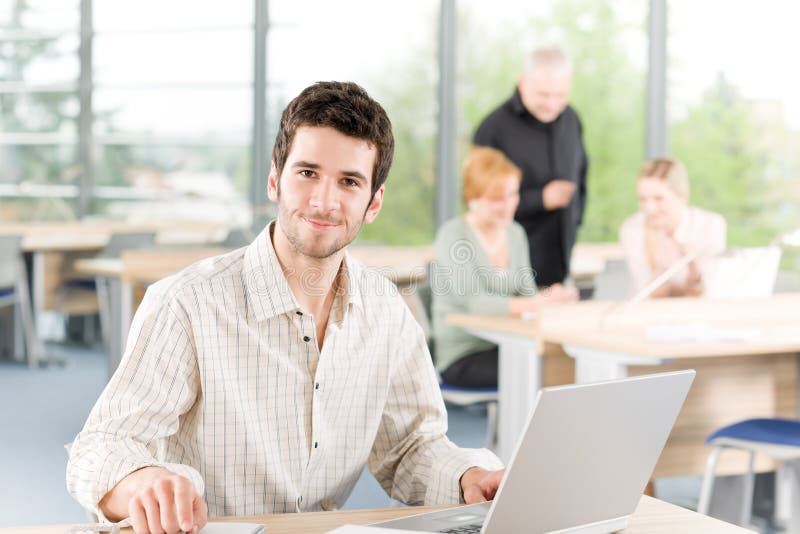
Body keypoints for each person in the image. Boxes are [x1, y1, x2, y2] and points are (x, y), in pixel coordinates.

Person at [66, 82, 504, 534]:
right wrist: (142, 482)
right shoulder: (186, 304)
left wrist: (468, 476)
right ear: (275, 179)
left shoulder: (386, 311)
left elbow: (411, 447)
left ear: (373, 202)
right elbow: (101, 445)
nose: (324, 200)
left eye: (349, 182)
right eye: (307, 173)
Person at [432, 147, 578, 388]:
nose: (509, 205)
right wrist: (537, 303)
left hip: (508, 343)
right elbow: (475, 302)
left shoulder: (514, 233)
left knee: (563, 360)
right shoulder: (454, 236)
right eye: (497, 199)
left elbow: (526, 292)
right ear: (473, 198)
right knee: (536, 370)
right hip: (464, 355)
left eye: (513, 195)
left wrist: (551, 297)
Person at [474, 46, 588, 288]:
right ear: (522, 82)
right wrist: (541, 199)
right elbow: (477, 203)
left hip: (561, 269)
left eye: (560, 95)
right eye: (544, 95)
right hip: (507, 275)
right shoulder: (493, 129)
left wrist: (575, 223)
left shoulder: (572, 119)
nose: (552, 105)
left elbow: (582, 180)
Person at [619, 158, 726, 297]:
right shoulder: (632, 229)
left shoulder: (710, 225)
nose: (649, 209)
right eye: (642, 199)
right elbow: (649, 296)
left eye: (659, 199)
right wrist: (658, 265)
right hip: (648, 314)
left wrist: (694, 272)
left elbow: (708, 293)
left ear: (682, 197)